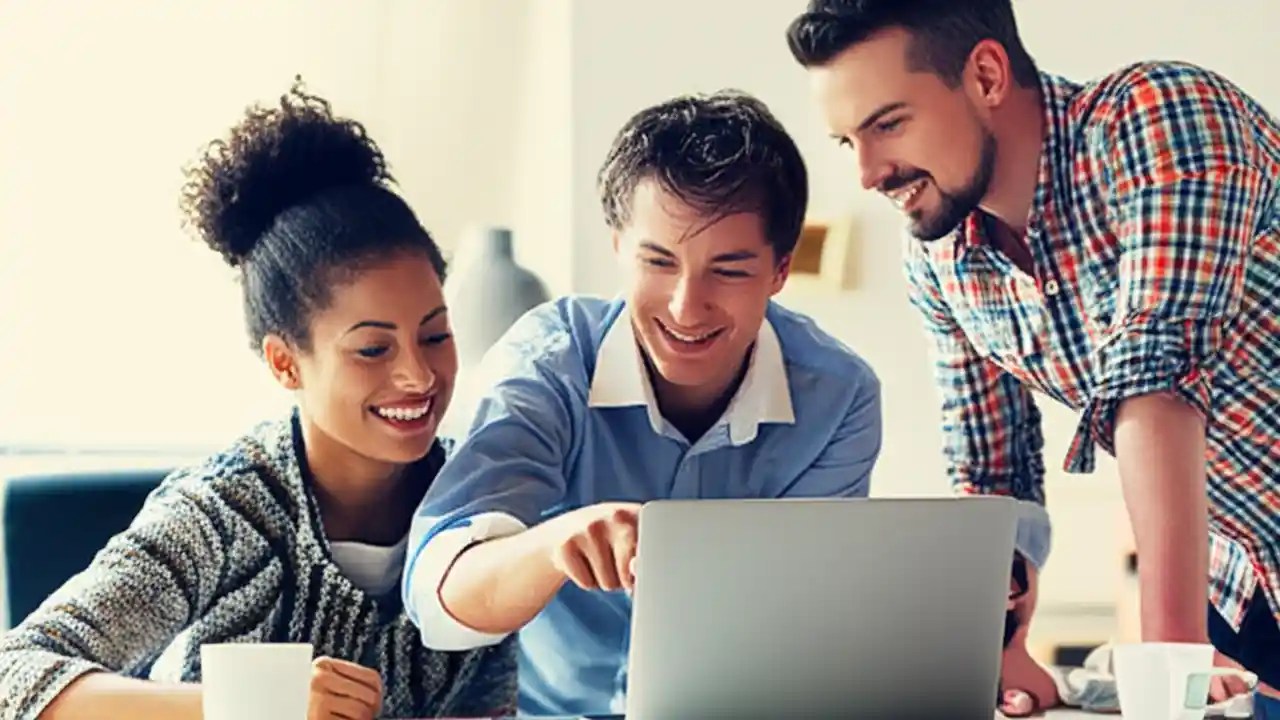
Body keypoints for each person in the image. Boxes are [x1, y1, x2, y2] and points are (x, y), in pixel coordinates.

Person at [786, 0, 1280, 716]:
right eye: (846, 141)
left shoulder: (1156, 118)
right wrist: (999, 647)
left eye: (888, 124)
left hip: (1199, 618)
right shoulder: (939, 257)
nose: (867, 173)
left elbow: (1158, 377)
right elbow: (992, 472)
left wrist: (1168, 649)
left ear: (986, 75)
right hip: (1249, 595)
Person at [0, 82, 516, 720]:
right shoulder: (223, 514)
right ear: (284, 362)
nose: (419, 375)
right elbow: (15, 676)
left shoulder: (481, 498)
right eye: (372, 351)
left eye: (435, 335)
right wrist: (252, 705)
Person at [401, 89, 883, 716]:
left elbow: (809, 621)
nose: (686, 306)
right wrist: (555, 543)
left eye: (729, 270)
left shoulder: (839, 397)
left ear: (781, 269)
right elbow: (443, 603)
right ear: (618, 249)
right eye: (659, 262)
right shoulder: (549, 366)